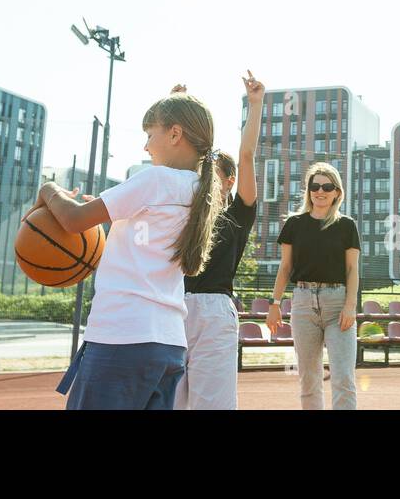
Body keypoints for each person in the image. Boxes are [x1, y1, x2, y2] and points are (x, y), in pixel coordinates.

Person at [36, 88, 224, 409]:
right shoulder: (200, 191)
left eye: (150, 134)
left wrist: (48, 189)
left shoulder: (155, 179)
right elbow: (141, 219)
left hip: (122, 337)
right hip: (168, 345)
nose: (146, 145)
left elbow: (73, 220)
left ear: (175, 134)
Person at [174, 72, 263, 410]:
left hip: (213, 311)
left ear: (230, 180)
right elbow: (172, 157)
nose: (206, 175)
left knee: (212, 405)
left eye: (213, 170)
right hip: (173, 306)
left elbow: (246, 155)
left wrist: (255, 106)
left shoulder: (238, 215)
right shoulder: (182, 209)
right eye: (202, 169)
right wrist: (178, 108)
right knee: (168, 401)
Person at [266, 162, 360, 410]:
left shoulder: (347, 226)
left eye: (327, 186)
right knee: (308, 379)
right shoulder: (294, 224)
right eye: (314, 186)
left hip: (337, 304)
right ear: (308, 190)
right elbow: (285, 268)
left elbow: (352, 270)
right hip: (303, 304)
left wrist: (350, 306)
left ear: (337, 192)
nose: (320, 191)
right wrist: (275, 304)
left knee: (343, 378)